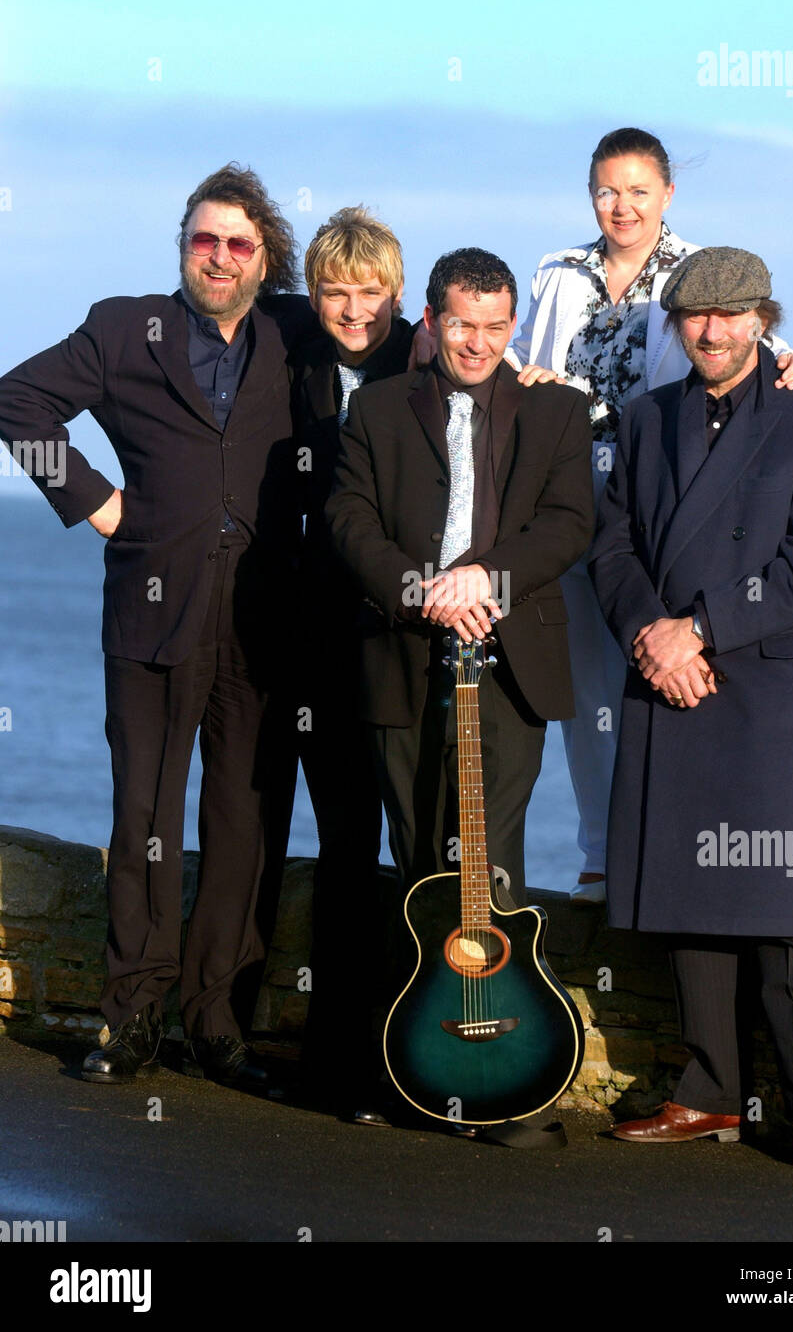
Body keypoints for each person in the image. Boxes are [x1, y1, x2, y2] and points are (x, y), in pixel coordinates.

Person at [0, 164, 317, 1085]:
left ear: (265, 258)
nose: (218, 258)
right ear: (183, 243)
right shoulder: (119, 327)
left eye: (237, 243)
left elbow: (389, 344)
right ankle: (130, 1019)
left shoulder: (291, 330)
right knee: (142, 813)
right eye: (202, 239)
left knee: (243, 818)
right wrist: (97, 500)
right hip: (149, 610)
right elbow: (14, 399)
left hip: (263, 617)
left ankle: (217, 1023)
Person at [590, 246, 793, 1163]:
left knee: (783, 889)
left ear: (762, 316)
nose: (710, 331)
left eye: (729, 315)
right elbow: (612, 545)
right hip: (664, 671)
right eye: (692, 318)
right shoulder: (642, 419)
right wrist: (648, 635)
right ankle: (707, 1092)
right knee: (684, 889)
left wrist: (696, 630)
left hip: (768, 678)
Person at [326, 247, 593, 1141]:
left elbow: (568, 524)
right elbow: (347, 517)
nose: (476, 343)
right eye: (460, 325)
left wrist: (481, 580)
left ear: (511, 324)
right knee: (411, 863)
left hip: (509, 658)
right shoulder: (376, 407)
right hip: (403, 653)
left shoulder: (557, 411)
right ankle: (411, 1067)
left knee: (495, 860)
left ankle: (504, 1084)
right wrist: (421, 591)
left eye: (493, 326)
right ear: (432, 321)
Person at [511, 127, 793, 904]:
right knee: (585, 697)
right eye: (607, 190)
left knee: (649, 676)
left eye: (638, 190)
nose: (622, 206)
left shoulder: (690, 270)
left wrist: (792, 359)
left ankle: (661, 854)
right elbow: (512, 355)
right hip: (562, 497)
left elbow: (742, 338)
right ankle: (598, 858)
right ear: (590, 194)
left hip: (655, 502)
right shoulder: (557, 272)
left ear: (667, 194)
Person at [290, 207, 413, 1110]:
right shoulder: (284, 350)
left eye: (371, 292)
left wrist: (784, 362)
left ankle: (414, 1061)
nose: (354, 309)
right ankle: (333, 1061)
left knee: (410, 855)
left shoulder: (425, 353)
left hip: (402, 642)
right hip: (305, 642)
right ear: (311, 293)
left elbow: (520, 388)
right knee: (340, 850)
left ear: (398, 293)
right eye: (336, 291)